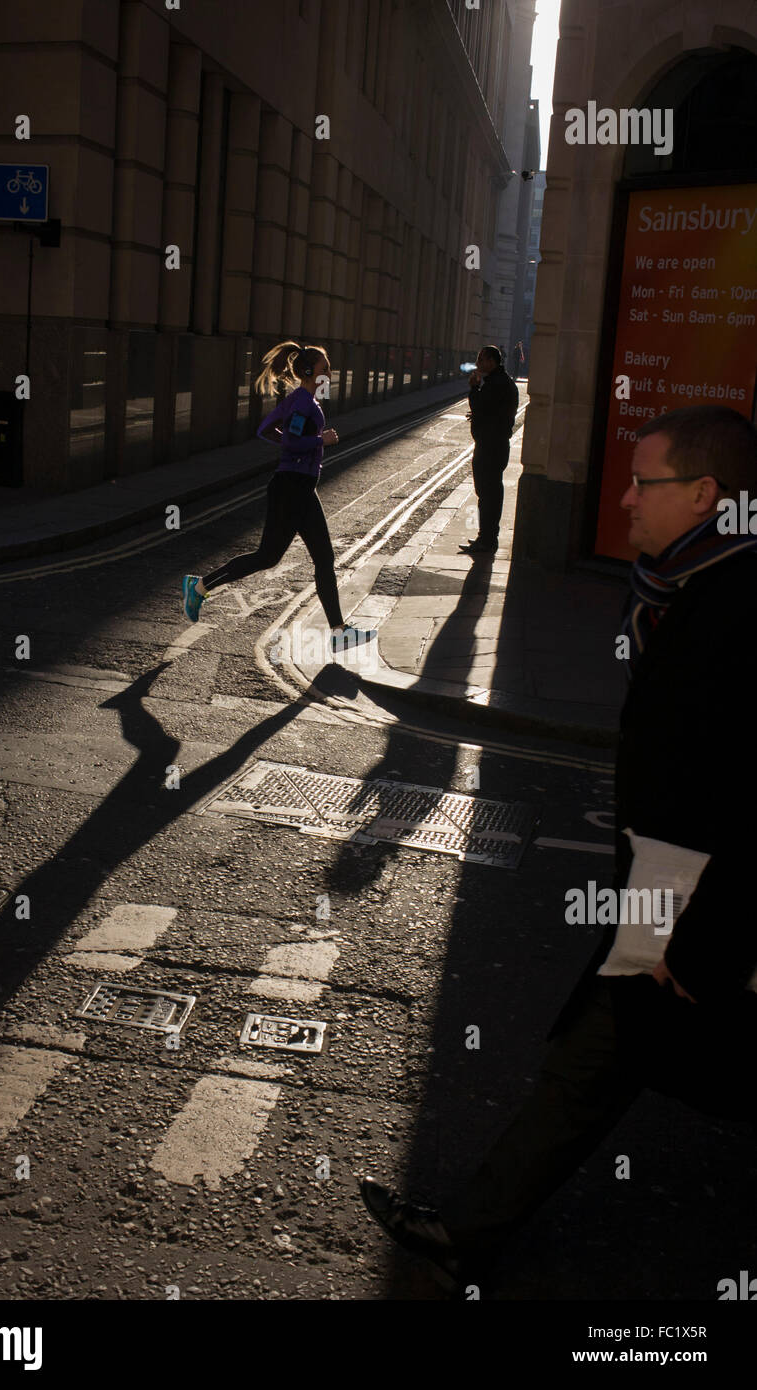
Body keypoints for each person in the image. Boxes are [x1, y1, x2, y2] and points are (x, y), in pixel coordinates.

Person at [359, 405, 757, 1296]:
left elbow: (716, 791)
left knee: (623, 1048)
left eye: (642, 482)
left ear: (703, 494)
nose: (621, 500)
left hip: (693, 902)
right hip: (668, 895)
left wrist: (672, 928)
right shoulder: (688, 587)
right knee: (600, 1056)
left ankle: (469, 1231)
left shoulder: (734, 607)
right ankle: (469, 1231)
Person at [181, 341, 376, 654]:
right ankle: (339, 632)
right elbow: (292, 442)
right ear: (311, 372)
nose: (331, 372)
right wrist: (320, 440)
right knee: (322, 558)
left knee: (268, 557)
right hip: (294, 488)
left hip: (293, 487)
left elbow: (266, 430)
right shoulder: (304, 404)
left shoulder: (301, 400)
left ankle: (201, 586)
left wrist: (306, 441)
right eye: (326, 368)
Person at [462, 345, 519, 555]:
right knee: (488, 494)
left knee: (488, 494)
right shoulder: (501, 382)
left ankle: (486, 541)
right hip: (494, 445)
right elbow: (491, 411)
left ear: (492, 362)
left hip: (490, 447)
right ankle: (486, 537)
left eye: (481, 360)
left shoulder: (496, 384)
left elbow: (481, 406)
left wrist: (474, 388)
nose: (478, 364)